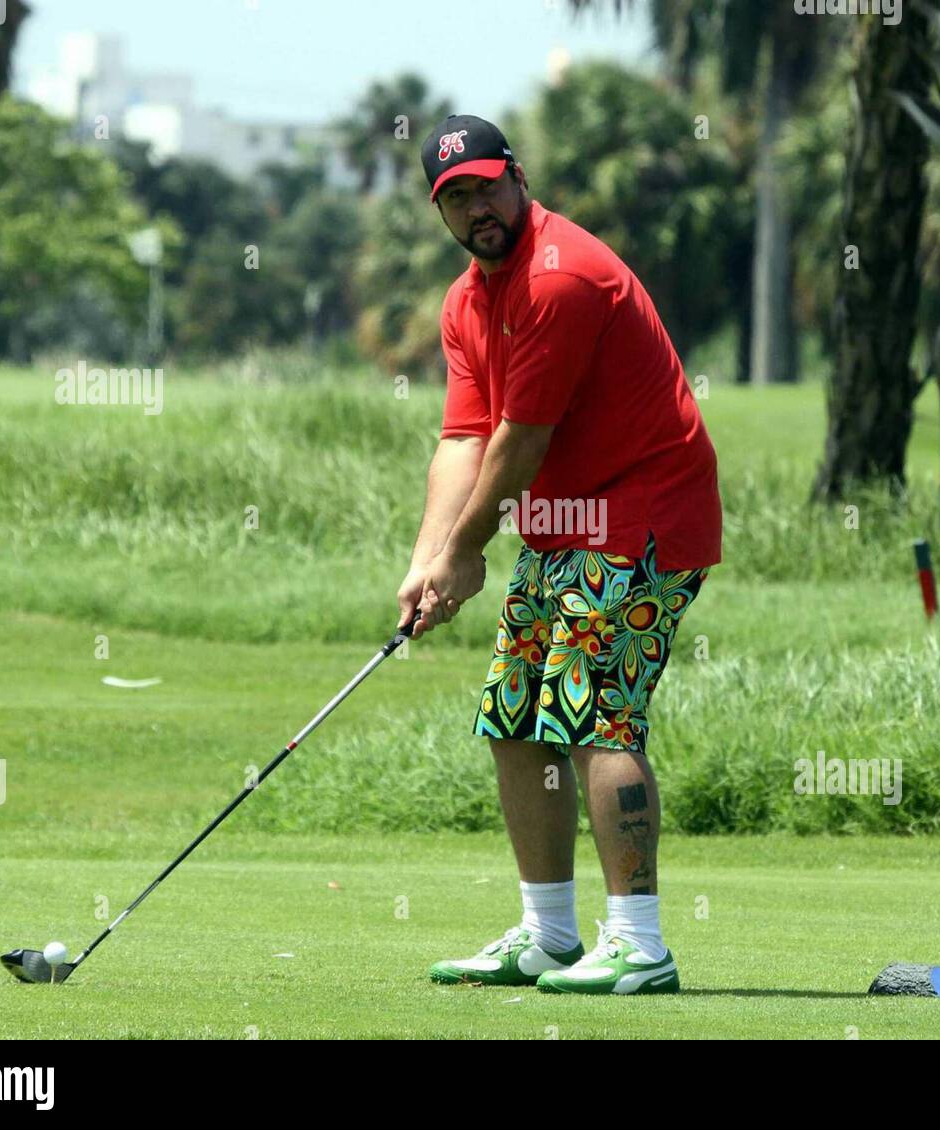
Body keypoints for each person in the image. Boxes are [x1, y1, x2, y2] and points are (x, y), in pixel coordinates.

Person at [397, 114, 722, 995]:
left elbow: (520, 441)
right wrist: (430, 560)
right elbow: (463, 440)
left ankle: (641, 945)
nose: (477, 209)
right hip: (561, 526)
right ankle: (547, 936)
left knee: (590, 715)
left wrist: (469, 553)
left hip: (642, 517)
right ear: (441, 209)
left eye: (487, 186)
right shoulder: (468, 301)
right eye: (455, 197)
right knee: (514, 720)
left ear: (519, 177)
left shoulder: (561, 277)